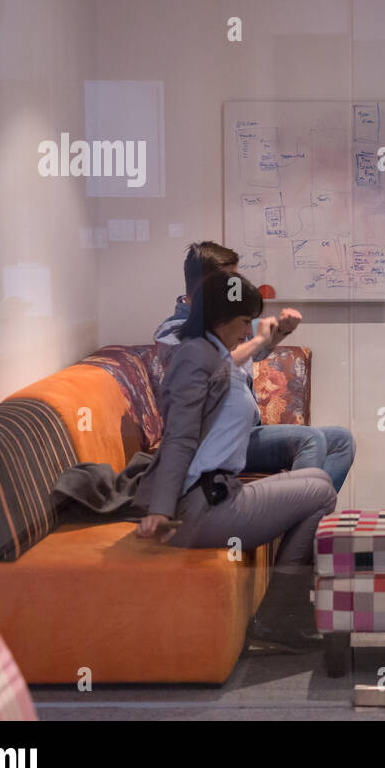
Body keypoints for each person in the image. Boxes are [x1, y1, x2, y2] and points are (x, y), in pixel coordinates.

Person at [134, 270, 337, 652]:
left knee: (317, 480)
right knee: (320, 494)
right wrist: (161, 511)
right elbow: (179, 437)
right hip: (198, 509)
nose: (249, 330)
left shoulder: (210, 351)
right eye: (245, 321)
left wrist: (271, 337)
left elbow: (236, 360)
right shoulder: (194, 357)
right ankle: (280, 616)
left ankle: (282, 605)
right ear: (220, 320)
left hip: (216, 494)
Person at [155, 242, 355, 493]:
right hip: (213, 438)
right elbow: (206, 369)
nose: (236, 288)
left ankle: (307, 520)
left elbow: (254, 350)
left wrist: (280, 331)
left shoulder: (224, 318)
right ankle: (295, 518)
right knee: (310, 440)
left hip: (249, 432)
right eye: (230, 281)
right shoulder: (173, 331)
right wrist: (258, 340)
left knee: (341, 440)